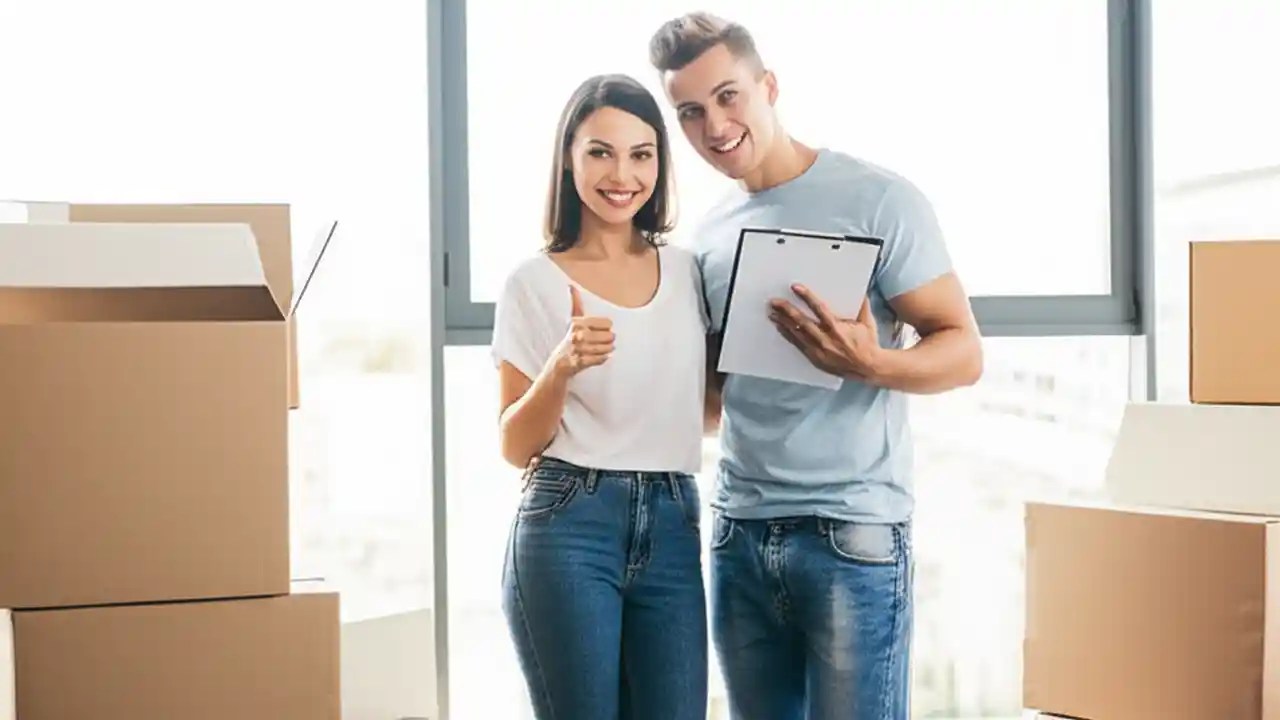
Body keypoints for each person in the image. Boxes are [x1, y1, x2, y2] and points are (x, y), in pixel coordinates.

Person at [648, 12, 985, 720]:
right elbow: (715, 400)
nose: (714, 126)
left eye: (729, 96)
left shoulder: (878, 200)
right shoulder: (707, 235)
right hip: (738, 532)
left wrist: (873, 362)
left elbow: (963, 351)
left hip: (852, 532)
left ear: (768, 86)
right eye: (690, 113)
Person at [492, 73, 710, 720]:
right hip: (569, 523)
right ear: (569, 156)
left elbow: (707, 408)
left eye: (642, 154)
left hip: (673, 519)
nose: (623, 174)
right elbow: (514, 444)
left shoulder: (689, 272)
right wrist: (560, 367)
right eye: (601, 152)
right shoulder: (533, 282)